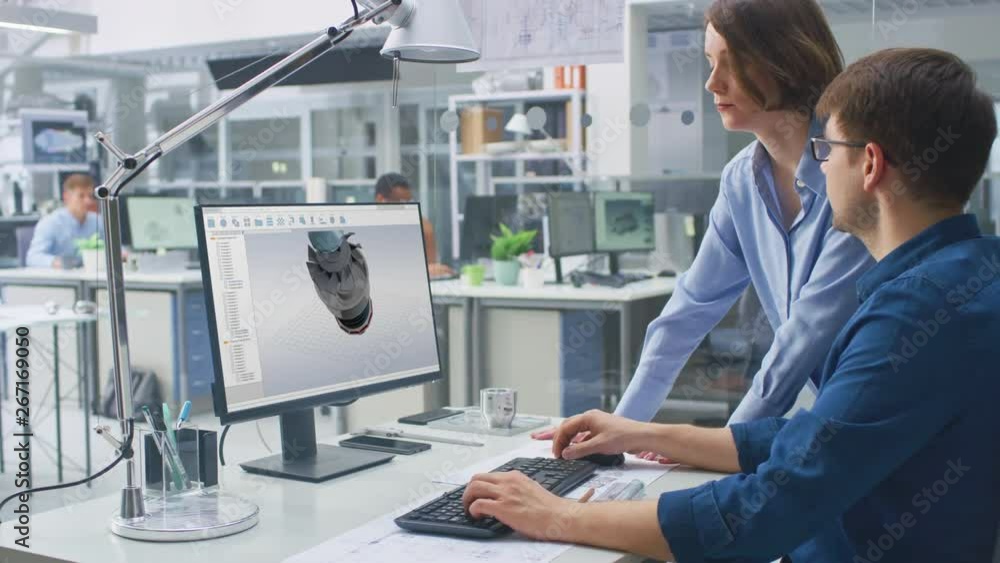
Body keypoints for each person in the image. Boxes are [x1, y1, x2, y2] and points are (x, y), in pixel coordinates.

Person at [462, 48, 1000, 562]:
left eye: (827, 150)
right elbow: (819, 437)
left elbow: (763, 514)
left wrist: (556, 515)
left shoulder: (915, 310)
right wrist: (643, 433)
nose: (818, 168)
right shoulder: (967, 276)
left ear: (870, 165)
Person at [533, 0, 873, 450]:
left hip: (878, 420)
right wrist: (618, 427)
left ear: (787, 60)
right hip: (822, 423)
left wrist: (718, 447)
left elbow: (803, 339)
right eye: (711, 62)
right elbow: (685, 315)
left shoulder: (854, 172)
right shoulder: (742, 182)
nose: (713, 83)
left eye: (734, 63)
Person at [374, 172, 454, 278]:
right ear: (381, 200)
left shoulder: (422, 225)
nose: (406, 208)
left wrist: (433, 270)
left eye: (409, 202)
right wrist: (422, 271)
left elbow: (432, 267)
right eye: (401, 202)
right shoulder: (367, 228)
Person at [26, 173, 100, 269]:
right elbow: (33, 258)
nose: (88, 201)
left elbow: (113, 247)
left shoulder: (97, 221)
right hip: (61, 280)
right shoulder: (50, 223)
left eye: (90, 196)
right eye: (81, 196)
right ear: (66, 197)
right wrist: (57, 262)